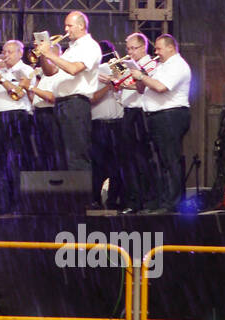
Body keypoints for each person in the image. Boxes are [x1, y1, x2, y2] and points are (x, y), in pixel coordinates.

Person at [130, 34, 192, 213]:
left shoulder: (178, 65)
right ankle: (161, 199)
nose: (155, 52)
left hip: (171, 115)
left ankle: (172, 203)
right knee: (160, 160)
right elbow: (143, 89)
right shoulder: (160, 66)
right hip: (156, 116)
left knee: (170, 160)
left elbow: (161, 87)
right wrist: (138, 76)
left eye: (158, 48)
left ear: (171, 48)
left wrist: (142, 75)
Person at [34, 12, 102, 173]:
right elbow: (51, 72)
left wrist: (50, 53)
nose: (66, 29)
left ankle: (81, 198)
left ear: (81, 26)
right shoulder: (71, 49)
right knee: (61, 156)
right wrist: (43, 56)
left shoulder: (90, 46)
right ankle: (67, 196)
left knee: (76, 156)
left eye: (69, 26)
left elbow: (74, 69)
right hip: (61, 103)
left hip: (76, 104)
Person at [0, 40, 34, 213]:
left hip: (17, 117)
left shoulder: (25, 70)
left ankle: (18, 204)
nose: (5, 55)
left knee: (16, 161)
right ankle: (2, 202)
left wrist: (1, 79)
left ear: (19, 53)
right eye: (4, 51)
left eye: (10, 52)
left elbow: (19, 92)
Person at [114, 32, 157, 212]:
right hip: (127, 110)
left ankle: (146, 199)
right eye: (128, 48)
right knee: (128, 159)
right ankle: (132, 199)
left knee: (141, 158)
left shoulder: (150, 64)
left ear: (143, 47)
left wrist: (123, 83)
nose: (130, 52)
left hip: (140, 112)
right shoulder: (131, 65)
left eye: (134, 48)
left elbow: (145, 87)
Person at [89, 40, 125, 209]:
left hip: (118, 123)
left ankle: (114, 200)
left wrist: (117, 80)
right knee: (97, 165)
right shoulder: (91, 73)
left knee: (117, 166)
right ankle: (95, 200)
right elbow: (91, 98)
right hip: (99, 124)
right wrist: (108, 86)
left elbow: (129, 87)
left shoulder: (119, 68)